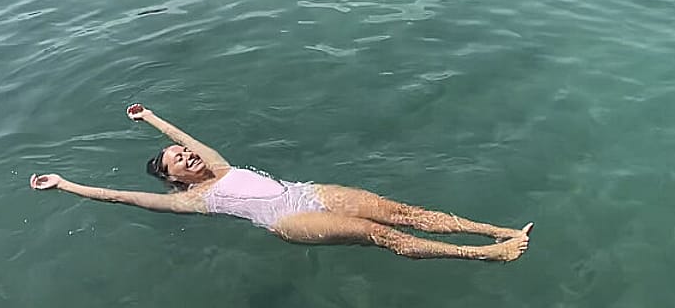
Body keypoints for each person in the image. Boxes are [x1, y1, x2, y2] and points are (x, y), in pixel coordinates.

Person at [30, 104, 533, 262]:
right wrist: (65, 184)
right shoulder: (195, 202)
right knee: (379, 234)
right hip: (286, 218)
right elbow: (121, 195)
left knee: (395, 209)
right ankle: (481, 255)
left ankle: (492, 228)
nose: (184, 154)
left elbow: (187, 134)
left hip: (303, 191)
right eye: (176, 160)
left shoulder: (220, 167)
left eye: (182, 152)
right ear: (176, 181)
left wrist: (152, 119)